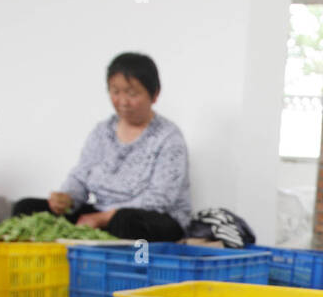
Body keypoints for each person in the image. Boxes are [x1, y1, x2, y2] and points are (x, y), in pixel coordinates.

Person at [12, 53, 190, 241]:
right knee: (25, 208)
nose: (123, 101)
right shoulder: (102, 131)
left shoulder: (169, 137)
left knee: (125, 222)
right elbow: (81, 176)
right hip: (102, 213)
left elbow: (159, 200)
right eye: (115, 92)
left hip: (154, 219)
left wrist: (104, 218)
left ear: (154, 95)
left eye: (132, 93)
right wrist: (66, 198)